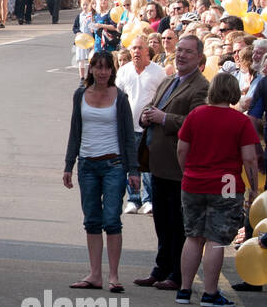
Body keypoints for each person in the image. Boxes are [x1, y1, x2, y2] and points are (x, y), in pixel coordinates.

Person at [175, 72, 259, 307]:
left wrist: (188, 171)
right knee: (217, 238)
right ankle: (210, 293)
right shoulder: (240, 121)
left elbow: (182, 149)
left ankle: (184, 289)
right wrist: (253, 188)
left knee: (193, 236)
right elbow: (250, 159)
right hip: (227, 181)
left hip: (194, 179)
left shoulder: (195, 115)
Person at [134, 34, 209, 292]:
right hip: (158, 163)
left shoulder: (201, 86)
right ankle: (161, 267)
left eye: (188, 52)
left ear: (199, 57)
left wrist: (164, 118)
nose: (181, 55)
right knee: (162, 222)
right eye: (179, 50)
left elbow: (197, 123)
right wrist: (147, 117)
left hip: (179, 166)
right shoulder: (168, 80)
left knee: (178, 223)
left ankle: (177, 274)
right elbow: (154, 109)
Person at [62, 51, 140, 291]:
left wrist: (134, 170)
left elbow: (128, 137)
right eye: (98, 67)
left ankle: (114, 276)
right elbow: (75, 131)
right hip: (87, 165)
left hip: (113, 165)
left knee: (112, 220)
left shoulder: (120, 97)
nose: (102, 72)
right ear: (91, 69)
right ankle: (95, 274)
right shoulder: (80, 95)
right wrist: (69, 165)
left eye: (107, 67)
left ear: (112, 70)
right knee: (92, 220)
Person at [115, 37, 167, 215]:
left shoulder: (158, 72)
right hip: (128, 127)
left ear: (147, 51)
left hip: (149, 126)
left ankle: (148, 199)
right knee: (131, 164)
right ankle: (133, 199)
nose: (136, 52)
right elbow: (118, 96)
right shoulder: (124, 71)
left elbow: (165, 97)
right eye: (134, 48)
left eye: (140, 48)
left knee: (147, 165)